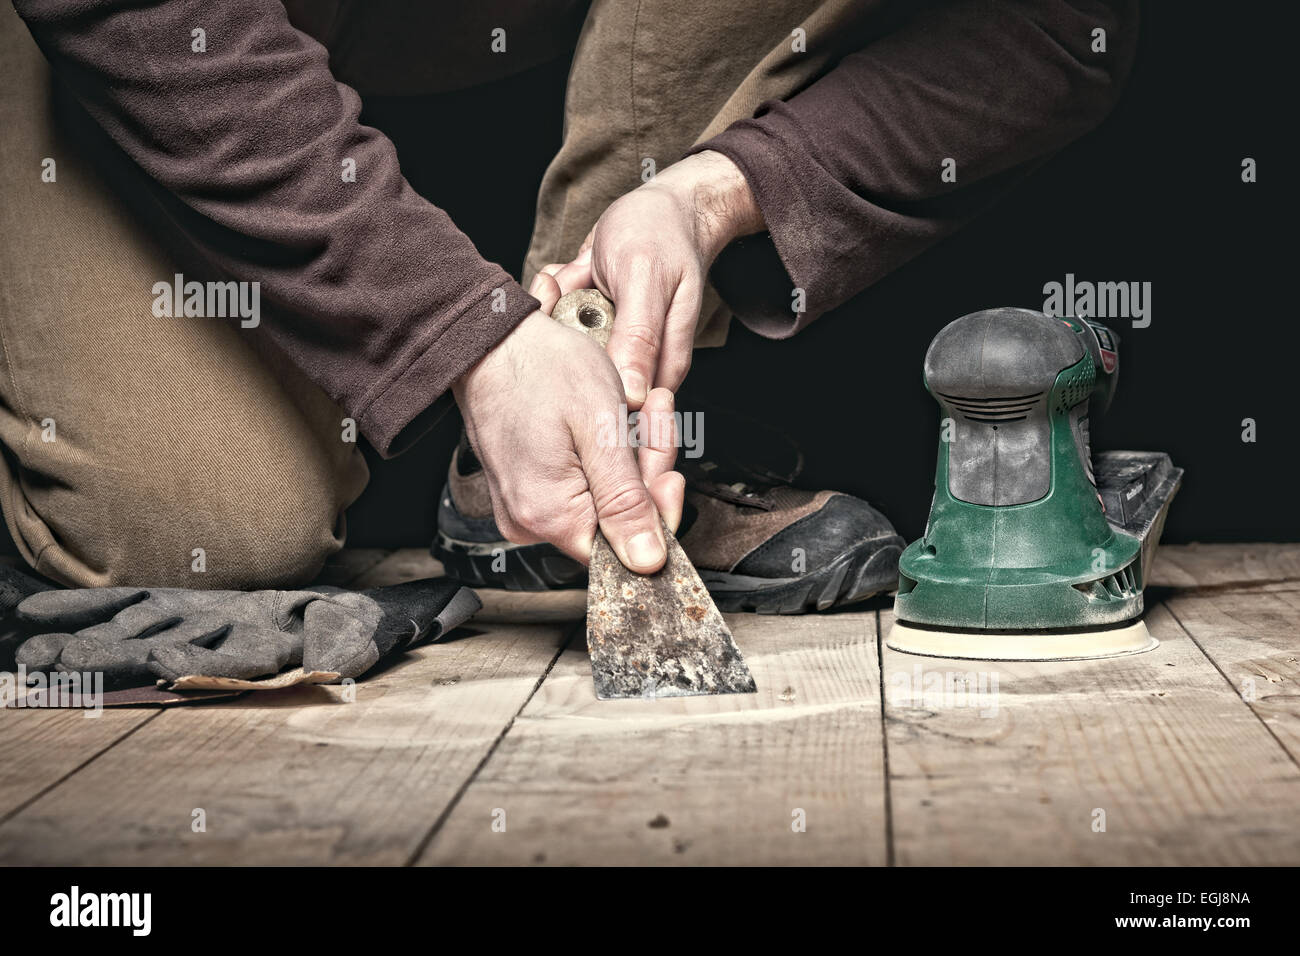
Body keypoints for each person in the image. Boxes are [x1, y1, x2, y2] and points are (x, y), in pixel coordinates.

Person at [0, 0, 1137, 611]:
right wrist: (458, 332)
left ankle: (583, 430)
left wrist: (713, 191)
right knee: (199, 530)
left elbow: (1063, 23)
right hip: (137, 24)